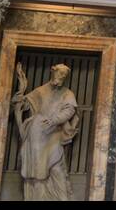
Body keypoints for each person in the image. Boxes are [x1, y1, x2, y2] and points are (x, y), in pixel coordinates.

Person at [12, 62, 80, 201]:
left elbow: (70, 110)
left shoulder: (67, 93)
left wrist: (55, 120)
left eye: (64, 76)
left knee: (57, 168)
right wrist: (20, 97)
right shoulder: (41, 91)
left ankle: (62, 198)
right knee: (37, 169)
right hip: (36, 135)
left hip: (54, 135)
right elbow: (25, 104)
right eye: (60, 74)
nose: (61, 78)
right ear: (53, 71)